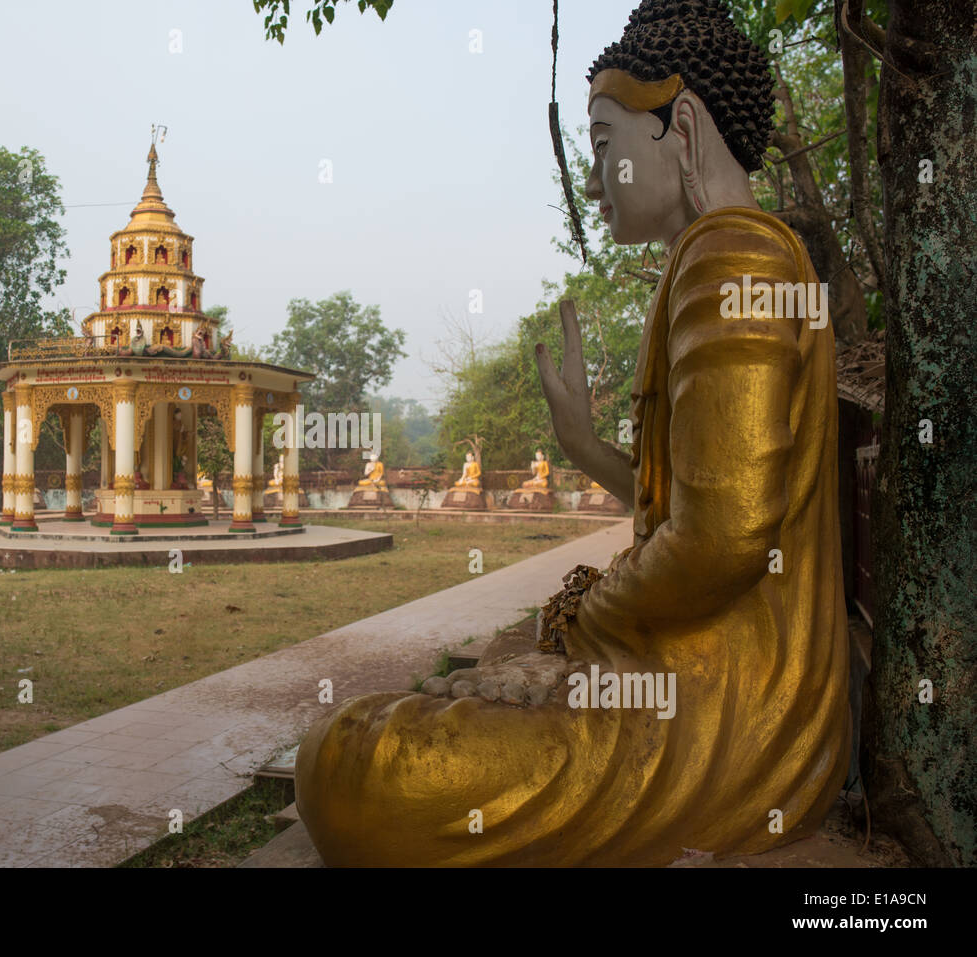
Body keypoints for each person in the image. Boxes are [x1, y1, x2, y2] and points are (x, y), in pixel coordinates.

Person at [295, 0, 849, 867]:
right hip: (724, 696)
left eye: (601, 144)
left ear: (685, 125)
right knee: (405, 724)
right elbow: (695, 509)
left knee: (360, 766)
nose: (592, 182)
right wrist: (586, 447)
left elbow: (724, 541)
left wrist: (584, 616)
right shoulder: (726, 259)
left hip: (725, 718)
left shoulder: (733, 259)